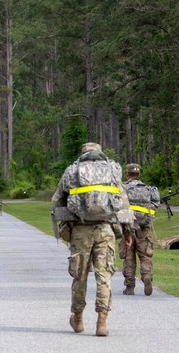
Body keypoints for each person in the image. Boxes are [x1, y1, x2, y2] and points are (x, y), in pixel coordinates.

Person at [51, 142, 131, 337]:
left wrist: (65, 225)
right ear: (99, 152)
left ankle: (77, 319)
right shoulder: (112, 170)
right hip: (105, 229)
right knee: (104, 276)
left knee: (80, 276)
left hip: (80, 230)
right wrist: (127, 232)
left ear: (83, 153)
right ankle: (102, 322)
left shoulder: (73, 170)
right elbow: (123, 202)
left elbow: (57, 201)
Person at [121, 163, 160, 296]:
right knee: (145, 255)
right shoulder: (149, 189)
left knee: (129, 256)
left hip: (128, 227)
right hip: (144, 227)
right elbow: (155, 204)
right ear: (139, 174)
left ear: (127, 174)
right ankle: (147, 276)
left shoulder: (123, 188)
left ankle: (130, 287)